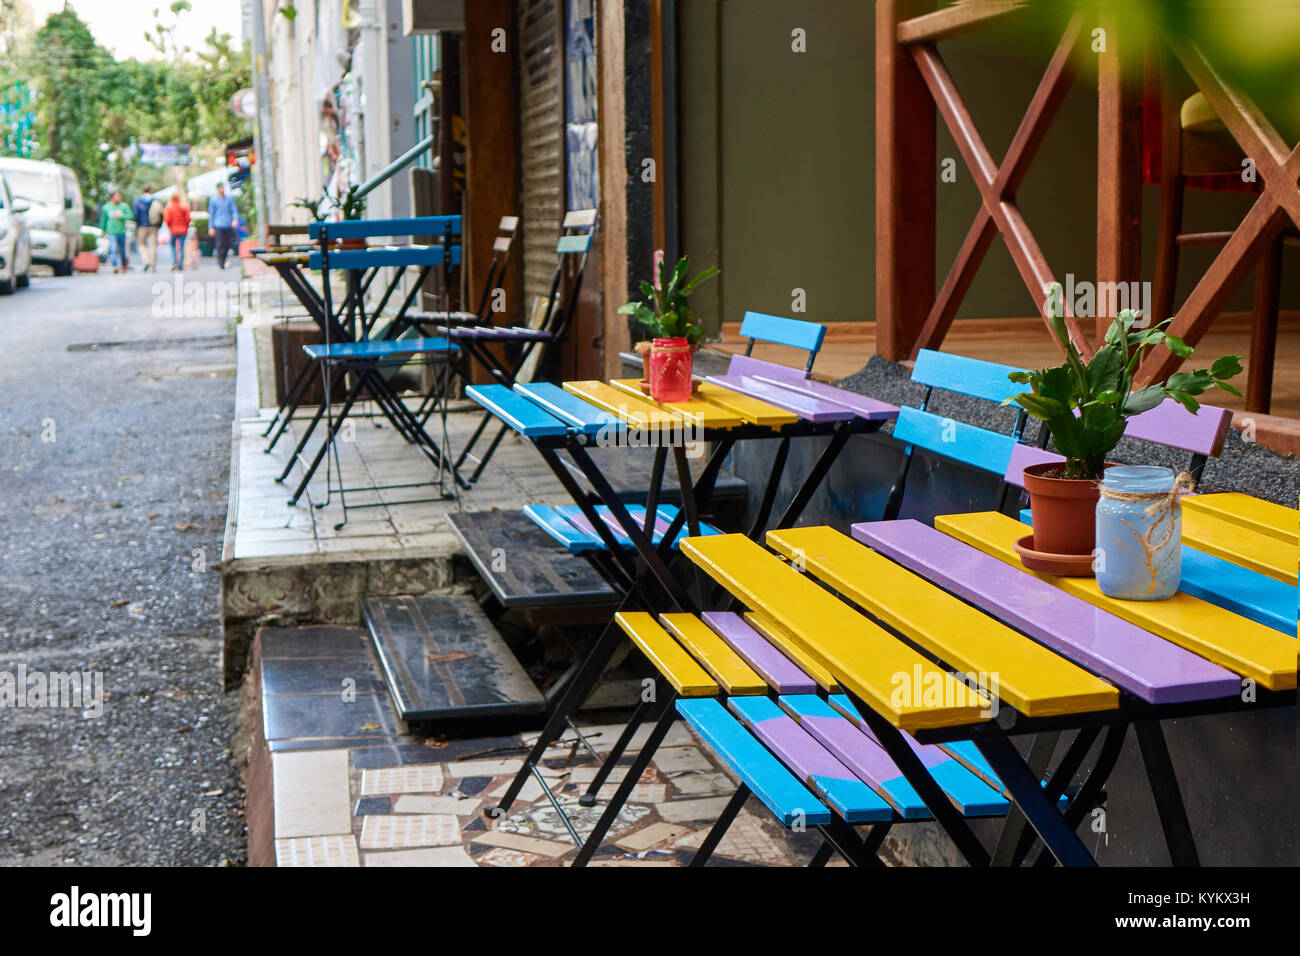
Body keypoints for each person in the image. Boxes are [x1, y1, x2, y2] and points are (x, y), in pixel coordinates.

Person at [208, 182, 239, 269]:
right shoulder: (213, 200)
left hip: (228, 224)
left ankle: (224, 259)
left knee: (227, 243)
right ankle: (220, 261)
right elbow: (212, 214)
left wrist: (235, 219)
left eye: (223, 188)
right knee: (220, 243)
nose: (222, 190)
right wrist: (210, 227)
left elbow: (234, 210)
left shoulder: (229, 199)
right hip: (218, 224)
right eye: (220, 188)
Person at [99, 191, 132, 274]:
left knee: (122, 251)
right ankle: (115, 266)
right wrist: (103, 231)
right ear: (112, 197)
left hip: (122, 232)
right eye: (117, 196)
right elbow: (104, 220)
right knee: (113, 249)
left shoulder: (123, 206)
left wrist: (121, 216)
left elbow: (131, 216)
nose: (119, 197)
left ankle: (123, 266)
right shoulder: (106, 207)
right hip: (111, 232)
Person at [132, 185, 159, 272]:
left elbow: (135, 214)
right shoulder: (155, 200)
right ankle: (153, 264)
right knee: (153, 246)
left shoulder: (138, 200)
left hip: (142, 226)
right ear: (150, 190)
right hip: (153, 226)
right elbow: (161, 213)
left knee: (142, 245)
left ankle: (146, 260)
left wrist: (137, 224)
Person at [162, 193, 191, 271]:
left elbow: (166, 219)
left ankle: (174, 262)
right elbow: (188, 219)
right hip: (183, 230)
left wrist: (169, 226)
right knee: (181, 247)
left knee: (173, 246)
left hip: (173, 230)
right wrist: (186, 226)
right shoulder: (184, 207)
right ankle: (180, 264)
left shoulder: (169, 207)